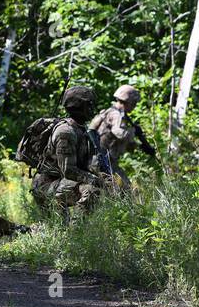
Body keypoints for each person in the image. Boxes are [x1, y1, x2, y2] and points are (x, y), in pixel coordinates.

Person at [32, 86, 109, 214]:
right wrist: (96, 180)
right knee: (91, 191)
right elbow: (68, 170)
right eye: (88, 105)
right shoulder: (66, 132)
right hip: (47, 184)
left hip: (61, 183)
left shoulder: (80, 129)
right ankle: (78, 232)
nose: (92, 109)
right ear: (79, 107)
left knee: (57, 229)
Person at [89, 84, 157, 169]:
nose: (134, 106)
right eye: (134, 103)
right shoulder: (117, 114)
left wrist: (136, 145)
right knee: (122, 182)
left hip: (102, 158)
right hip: (102, 159)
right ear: (128, 102)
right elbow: (117, 131)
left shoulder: (111, 111)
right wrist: (132, 133)